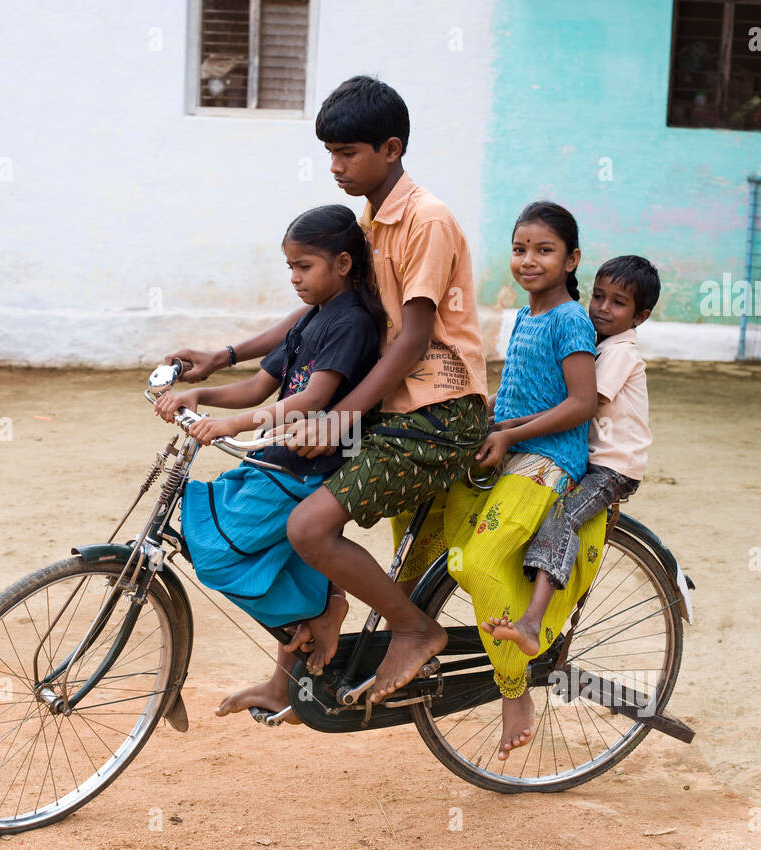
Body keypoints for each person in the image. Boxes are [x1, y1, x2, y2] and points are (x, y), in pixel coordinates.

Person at [201, 75, 490, 718]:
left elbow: (414, 339)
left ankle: (417, 630)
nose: (335, 166)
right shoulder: (369, 221)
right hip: (388, 410)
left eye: (348, 152)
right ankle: (292, 670)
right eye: (329, 152)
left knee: (309, 522)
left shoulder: (426, 220)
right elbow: (316, 314)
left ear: (391, 149)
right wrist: (225, 356)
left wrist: (339, 420)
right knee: (291, 487)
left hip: (439, 415)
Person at [153, 205, 382, 714]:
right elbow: (261, 384)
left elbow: (314, 399)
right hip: (276, 462)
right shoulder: (313, 318)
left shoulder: (352, 323)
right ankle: (289, 672)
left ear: (343, 264)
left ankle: (322, 611)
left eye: (305, 267)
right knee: (271, 561)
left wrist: (235, 424)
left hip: (305, 468)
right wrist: (203, 398)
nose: (296, 278)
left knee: (214, 552)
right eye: (290, 268)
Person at [442, 200, 605, 761]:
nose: (528, 260)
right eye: (519, 249)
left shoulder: (569, 320)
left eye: (544, 250)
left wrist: (512, 436)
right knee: (438, 525)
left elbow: (581, 403)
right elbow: (522, 390)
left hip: (550, 462)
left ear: (571, 259)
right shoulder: (524, 316)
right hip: (511, 447)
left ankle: (515, 688)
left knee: (480, 561)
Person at [482, 255, 658, 656]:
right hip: (585, 455)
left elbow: (581, 403)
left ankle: (532, 621)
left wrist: (512, 426)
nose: (601, 308)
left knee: (562, 516)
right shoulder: (593, 341)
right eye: (598, 296)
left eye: (618, 303)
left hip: (612, 468)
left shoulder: (619, 353)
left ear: (640, 316)